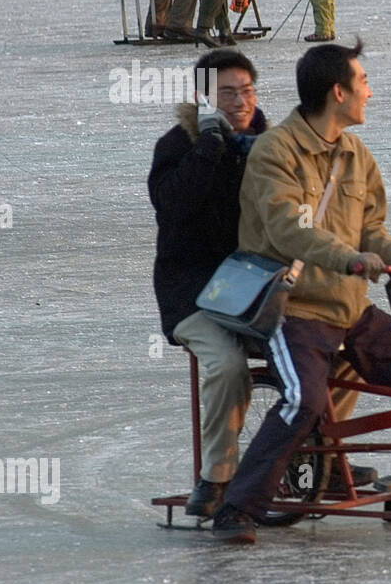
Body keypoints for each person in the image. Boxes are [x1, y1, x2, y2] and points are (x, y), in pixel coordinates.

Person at [212, 41, 391, 543]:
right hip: (293, 308)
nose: (370, 91)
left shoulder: (356, 154)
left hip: (349, 307)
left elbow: (371, 231)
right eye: (363, 82)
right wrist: (349, 259)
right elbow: (289, 230)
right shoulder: (276, 152)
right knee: (303, 401)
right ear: (338, 92)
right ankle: (237, 506)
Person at [148, 49, 369, 517]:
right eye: (226, 93)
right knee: (228, 365)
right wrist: (211, 145)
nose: (239, 101)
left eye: (246, 91)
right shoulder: (177, 147)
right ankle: (218, 478)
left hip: (260, 286)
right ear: (202, 98)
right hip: (195, 293)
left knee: (339, 347)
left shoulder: (271, 144)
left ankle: (318, 458)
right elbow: (174, 208)